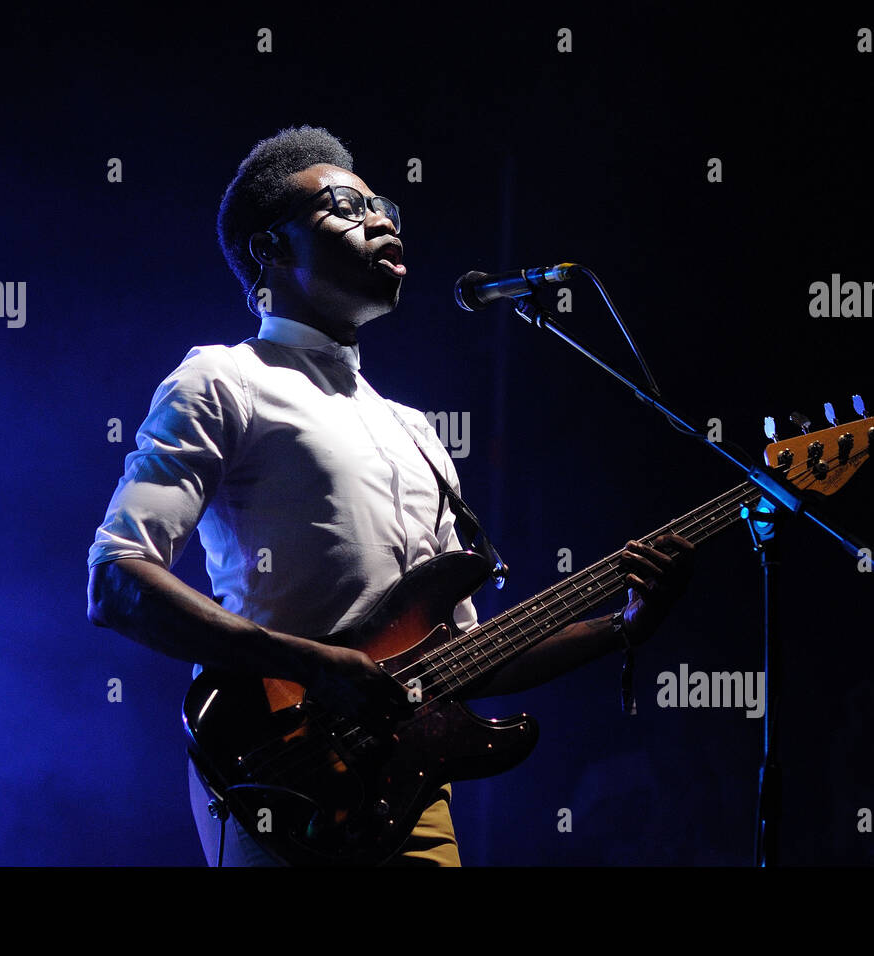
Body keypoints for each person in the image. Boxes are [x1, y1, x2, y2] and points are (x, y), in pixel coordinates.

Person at [85, 126, 694, 866]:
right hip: (283, 775)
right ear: (269, 250)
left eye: (385, 207)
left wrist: (622, 628)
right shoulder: (221, 379)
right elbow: (116, 580)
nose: (380, 221)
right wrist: (312, 663)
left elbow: (466, 656)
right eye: (346, 206)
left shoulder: (417, 433)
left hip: (411, 796)